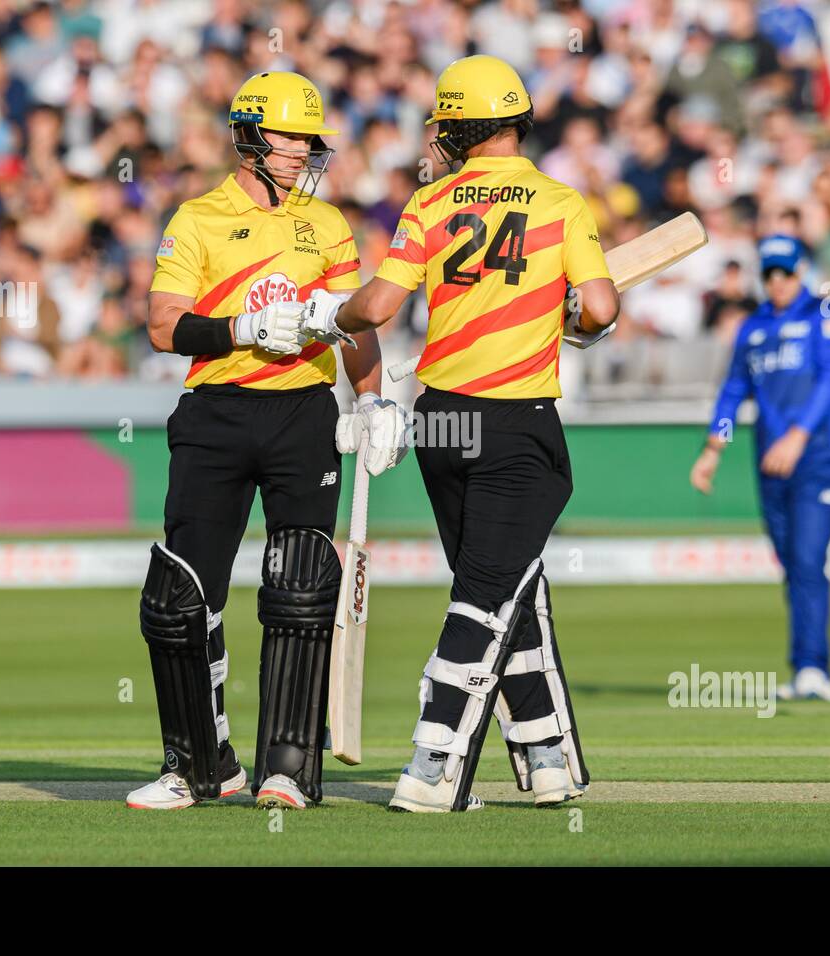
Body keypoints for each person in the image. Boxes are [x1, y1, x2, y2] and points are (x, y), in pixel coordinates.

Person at [303, 55, 620, 812]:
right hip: (518, 421)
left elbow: (376, 307)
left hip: (443, 419)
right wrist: (569, 320)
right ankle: (431, 765)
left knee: (510, 588)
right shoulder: (562, 202)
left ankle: (545, 754)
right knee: (486, 596)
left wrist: (324, 315)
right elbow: (601, 311)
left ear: (463, 128)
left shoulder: (430, 203)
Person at [125, 71, 408, 813]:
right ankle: (197, 763)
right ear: (249, 135)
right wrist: (242, 330)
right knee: (180, 599)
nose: (303, 152)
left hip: (303, 416)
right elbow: (162, 325)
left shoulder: (330, 224)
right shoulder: (197, 218)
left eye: (309, 140)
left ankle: (288, 767)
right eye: (289, 138)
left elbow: (356, 325)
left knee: (302, 589)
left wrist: (375, 400)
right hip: (214, 413)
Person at [689, 235, 830, 701]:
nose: (777, 282)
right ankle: (806, 667)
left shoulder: (824, 316)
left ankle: (813, 668)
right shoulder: (753, 328)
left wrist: (798, 437)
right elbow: (733, 390)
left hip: (818, 459)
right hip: (770, 464)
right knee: (791, 564)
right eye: (770, 274)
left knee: (806, 560)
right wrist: (713, 448)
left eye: (786, 272)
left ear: (801, 273)